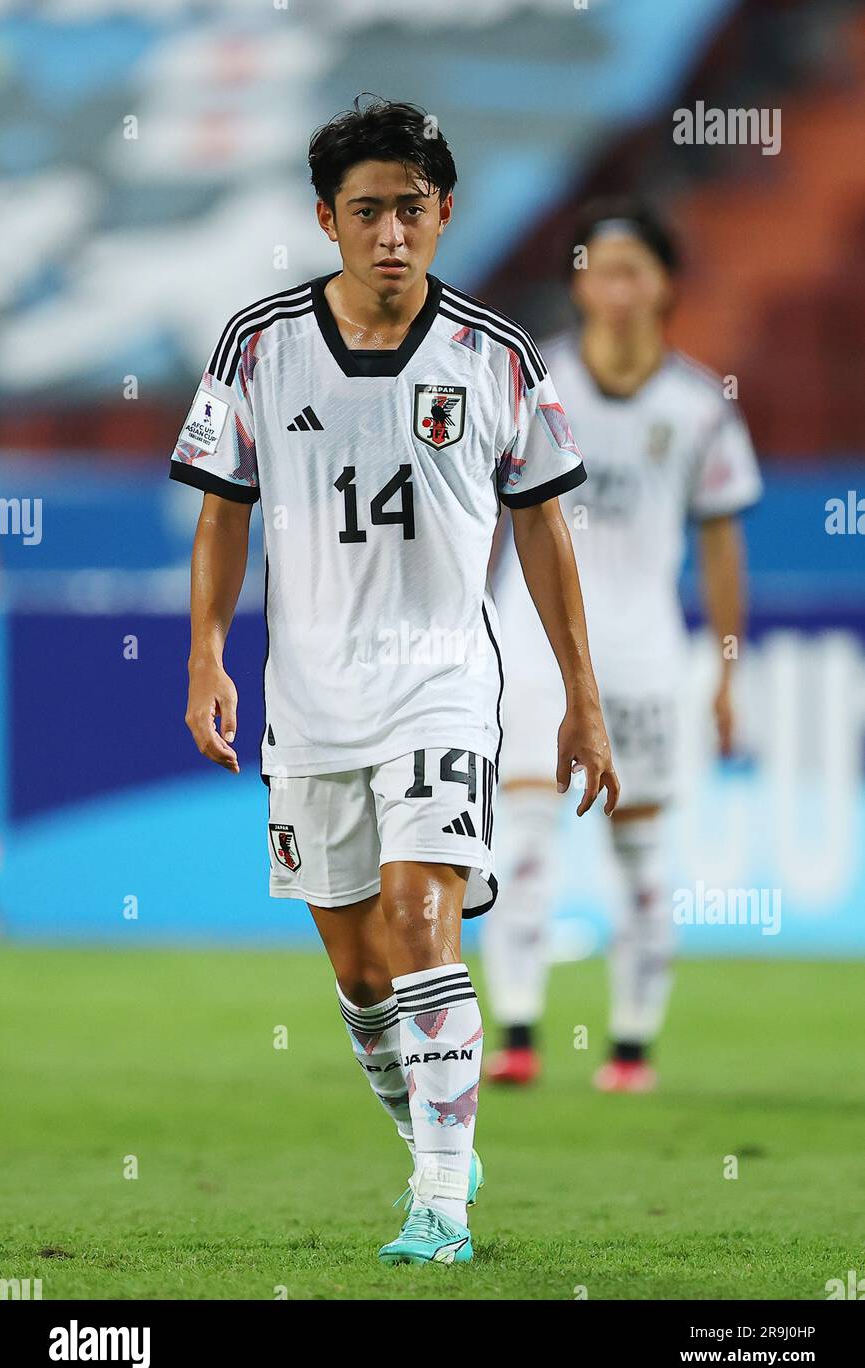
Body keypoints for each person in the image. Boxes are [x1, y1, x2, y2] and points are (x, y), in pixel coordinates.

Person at [170, 98, 618, 1264]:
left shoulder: (495, 357)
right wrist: (206, 652)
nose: (388, 233)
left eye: (409, 210)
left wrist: (579, 691)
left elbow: (543, 528)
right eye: (364, 210)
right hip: (308, 703)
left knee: (423, 922)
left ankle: (439, 1204)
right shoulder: (257, 348)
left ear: (443, 214)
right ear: (325, 219)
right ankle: (437, 1123)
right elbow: (225, 511)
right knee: (361, 973)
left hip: (442, 686)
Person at [483, 198, 762, 1092]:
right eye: (599, 269)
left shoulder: (698, 409)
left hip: (640, 656)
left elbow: (721, 542)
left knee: (638, 853)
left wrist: (725, 668)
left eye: (633, 270)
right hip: (527, 642)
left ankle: (631, 1046)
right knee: (522, 838)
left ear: (665, 285)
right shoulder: (530, 384)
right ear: (578, 281)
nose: (614, 288)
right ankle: (517, 1033)